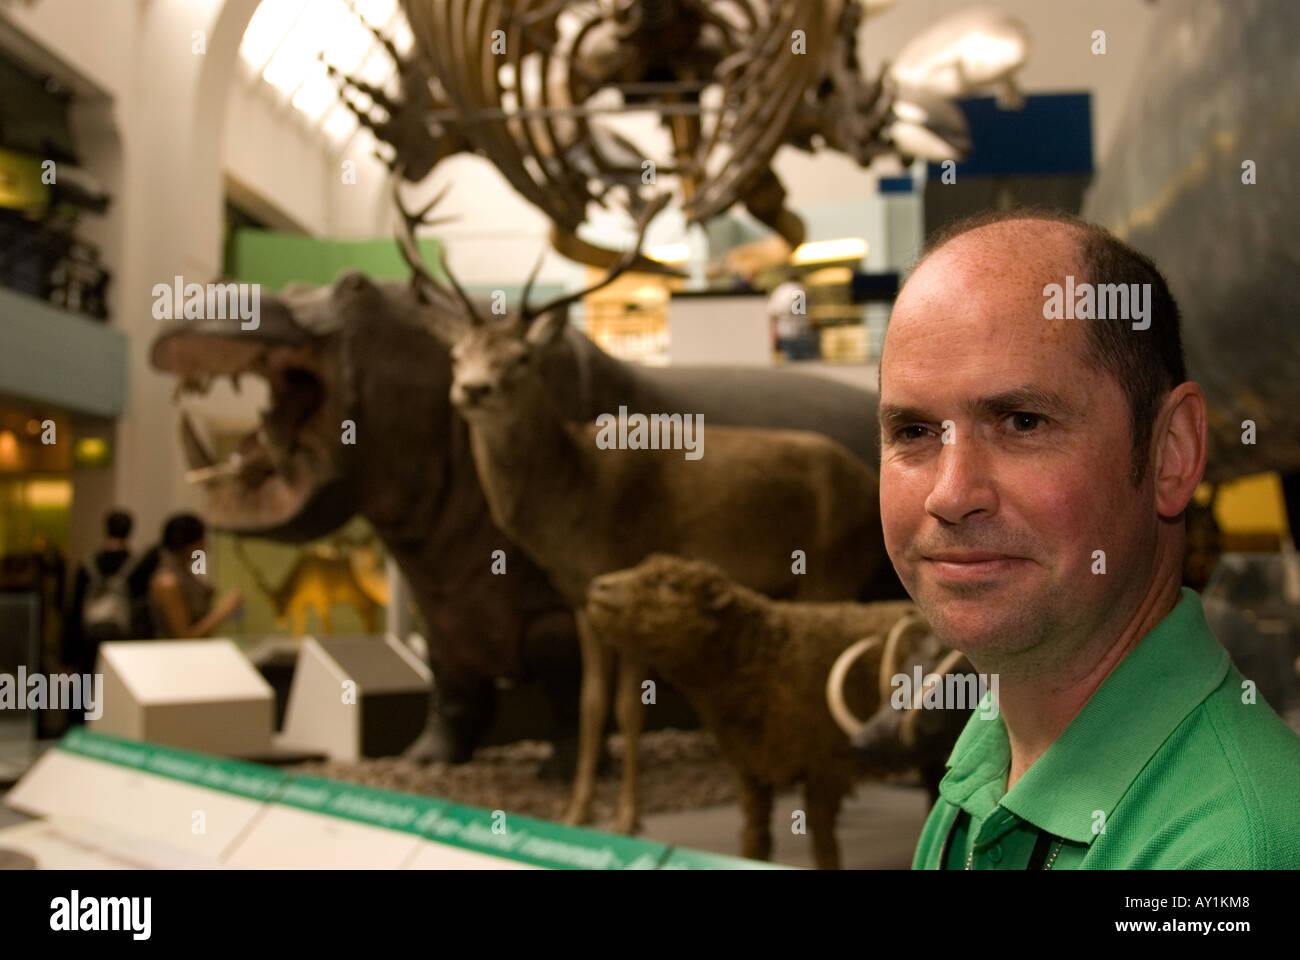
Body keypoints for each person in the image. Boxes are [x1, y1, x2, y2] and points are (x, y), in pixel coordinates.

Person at [876, 208, 1300, 869]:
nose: (950, 495)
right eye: (913, 433)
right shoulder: (989, 760)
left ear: (1171, 454)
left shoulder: (1236, 852)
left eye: (1021, 422)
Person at [66, 511, 149, 674]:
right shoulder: (138, 565)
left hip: (88, 640)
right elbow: (142, 610)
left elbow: (74, 609)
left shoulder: (87, 564)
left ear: (105, 530)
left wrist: (69, 657)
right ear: (130, 531)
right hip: (124, 640)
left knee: (88, 689)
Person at [148, 512, 243, 638]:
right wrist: (224, 609)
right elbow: (185, 637)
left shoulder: (182, 572)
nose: (206, 547)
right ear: (190, 545)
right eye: (203, 540)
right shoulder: (168, 582)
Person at [767, 270, 819, 361]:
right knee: (807, 365)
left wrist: (774, 336)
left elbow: (773, 315)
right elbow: (799, 312)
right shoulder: (799, 289)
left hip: (783, 333)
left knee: (791, 365)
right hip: (799, 334)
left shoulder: (779, 291)